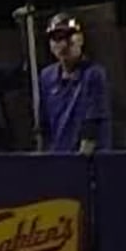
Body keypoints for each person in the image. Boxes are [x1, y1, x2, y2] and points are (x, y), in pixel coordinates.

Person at [37, 13, 111, 153]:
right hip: (57, 158)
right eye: (56, 38)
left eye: (68, 37)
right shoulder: (46, 77)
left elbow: (92, 125)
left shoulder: (94, 74)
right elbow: (44, 125)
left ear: (80, 39)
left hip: (87, 161)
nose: (63, 44)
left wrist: (81, 164)